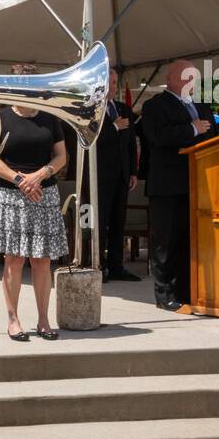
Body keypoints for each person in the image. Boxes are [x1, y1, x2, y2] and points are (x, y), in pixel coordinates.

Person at [0, 68, 69, 341]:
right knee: (14, 260)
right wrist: (20, 179)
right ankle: (14, 320)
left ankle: (44, 321)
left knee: (42, 260)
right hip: (10, 195)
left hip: (43, 194)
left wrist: (41, 175)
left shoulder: (51, 118)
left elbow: (61, 156)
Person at [138, 59, 215, 310]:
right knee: (166, 244)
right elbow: (157, 137)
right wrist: (191, 129)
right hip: (167, 185)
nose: (191, 82)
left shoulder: (202, 106)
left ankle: (187, 292)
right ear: (171, 79)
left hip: (197, 183)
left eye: (193, 77)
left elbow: (213, 137)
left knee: (188, 242)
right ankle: (165, 295)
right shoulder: (155, 106)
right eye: (186, 77)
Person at [94, 70, 140, 282]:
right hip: (100, 176)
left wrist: (132, 171)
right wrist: (113, 127)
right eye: (108, 82)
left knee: (118, 222)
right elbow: (91, 141)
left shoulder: (124, 109)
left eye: (114, 83)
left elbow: (130, 143)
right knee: (101, 222)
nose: (112, 86)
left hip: (122, 175)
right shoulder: (92, 109)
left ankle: (116, 265)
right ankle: (99, 266)